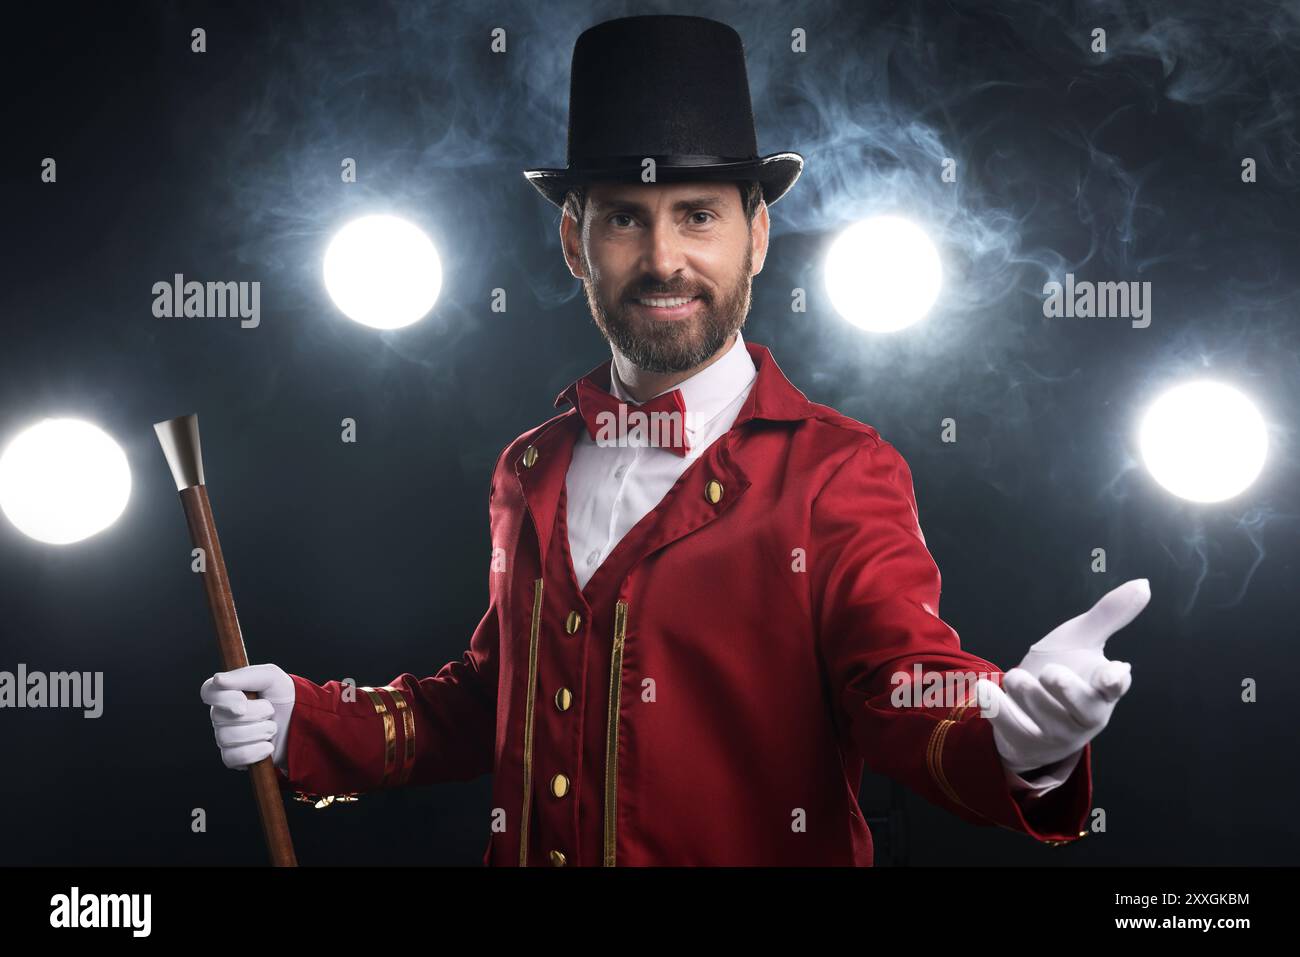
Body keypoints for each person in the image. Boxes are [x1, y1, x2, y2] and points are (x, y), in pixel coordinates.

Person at [200, 14, 1145, 866]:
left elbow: (898, 685)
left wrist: (1017, 732)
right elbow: (499, 703)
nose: (662, 259)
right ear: (575, 243)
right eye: (624, 219)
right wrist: (308, 719)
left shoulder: (838, 472)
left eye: (699, 215)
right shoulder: (529, 467)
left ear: (757, 237)